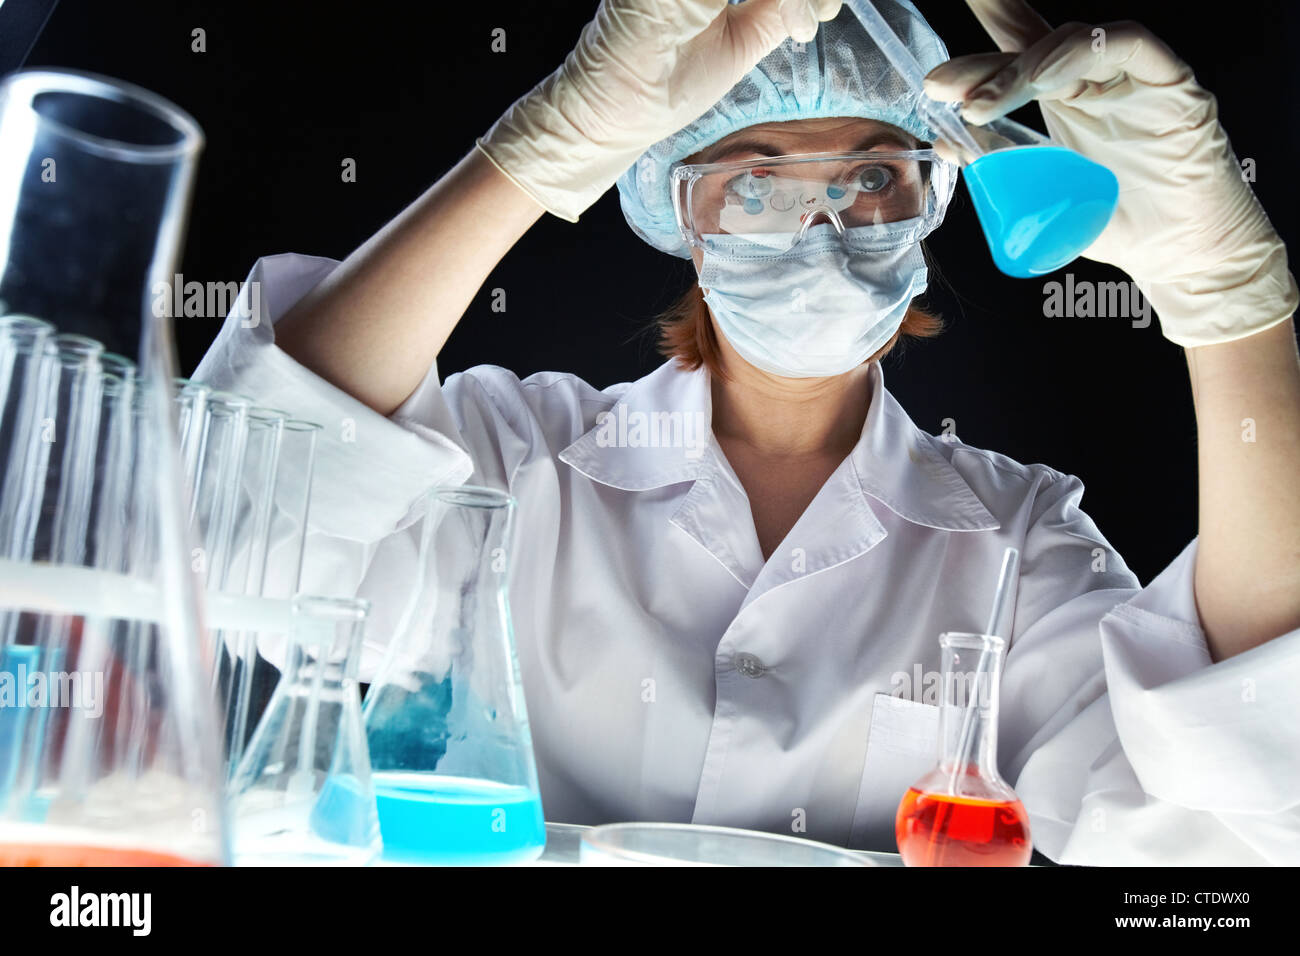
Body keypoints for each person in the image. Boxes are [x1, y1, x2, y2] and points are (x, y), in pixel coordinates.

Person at [195, 0, 1300, 863]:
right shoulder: (515, 453)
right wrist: (537, 151)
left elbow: (1246, 816)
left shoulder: (1016, 540)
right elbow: (237, 524)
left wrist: (1229, 308)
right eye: (754, 180)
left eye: (874, 174)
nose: (823, 223)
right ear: (678, 207)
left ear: (935, 198)